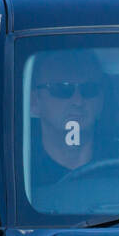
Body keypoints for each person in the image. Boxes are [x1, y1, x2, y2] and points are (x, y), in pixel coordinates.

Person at [28, 49, 109, 187]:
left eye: (89, 89)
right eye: (62, 89)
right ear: (35, 101)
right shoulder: (17, 169)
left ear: (100, 102)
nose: (78, 101)